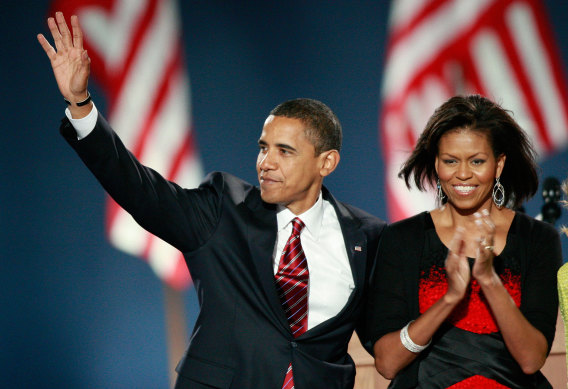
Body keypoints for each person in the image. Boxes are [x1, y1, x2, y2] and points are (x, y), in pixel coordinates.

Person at [37, 12, 386, 389]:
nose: (265, 163)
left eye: (284, 151)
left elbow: (385, 340)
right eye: (263, 148)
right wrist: (81, 104)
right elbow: (139, 189)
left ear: (327, 162)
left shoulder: (367, 237)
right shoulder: (223, 209)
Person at [367, 95, 563, 388]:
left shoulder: (537, 239)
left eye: (477, 161)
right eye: (450, 161)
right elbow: (387, 362)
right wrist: (449, 298)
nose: (462, 174)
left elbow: (531, 359)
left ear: (498, 165)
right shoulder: (402, 239)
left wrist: (489, 280)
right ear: (436, 163)